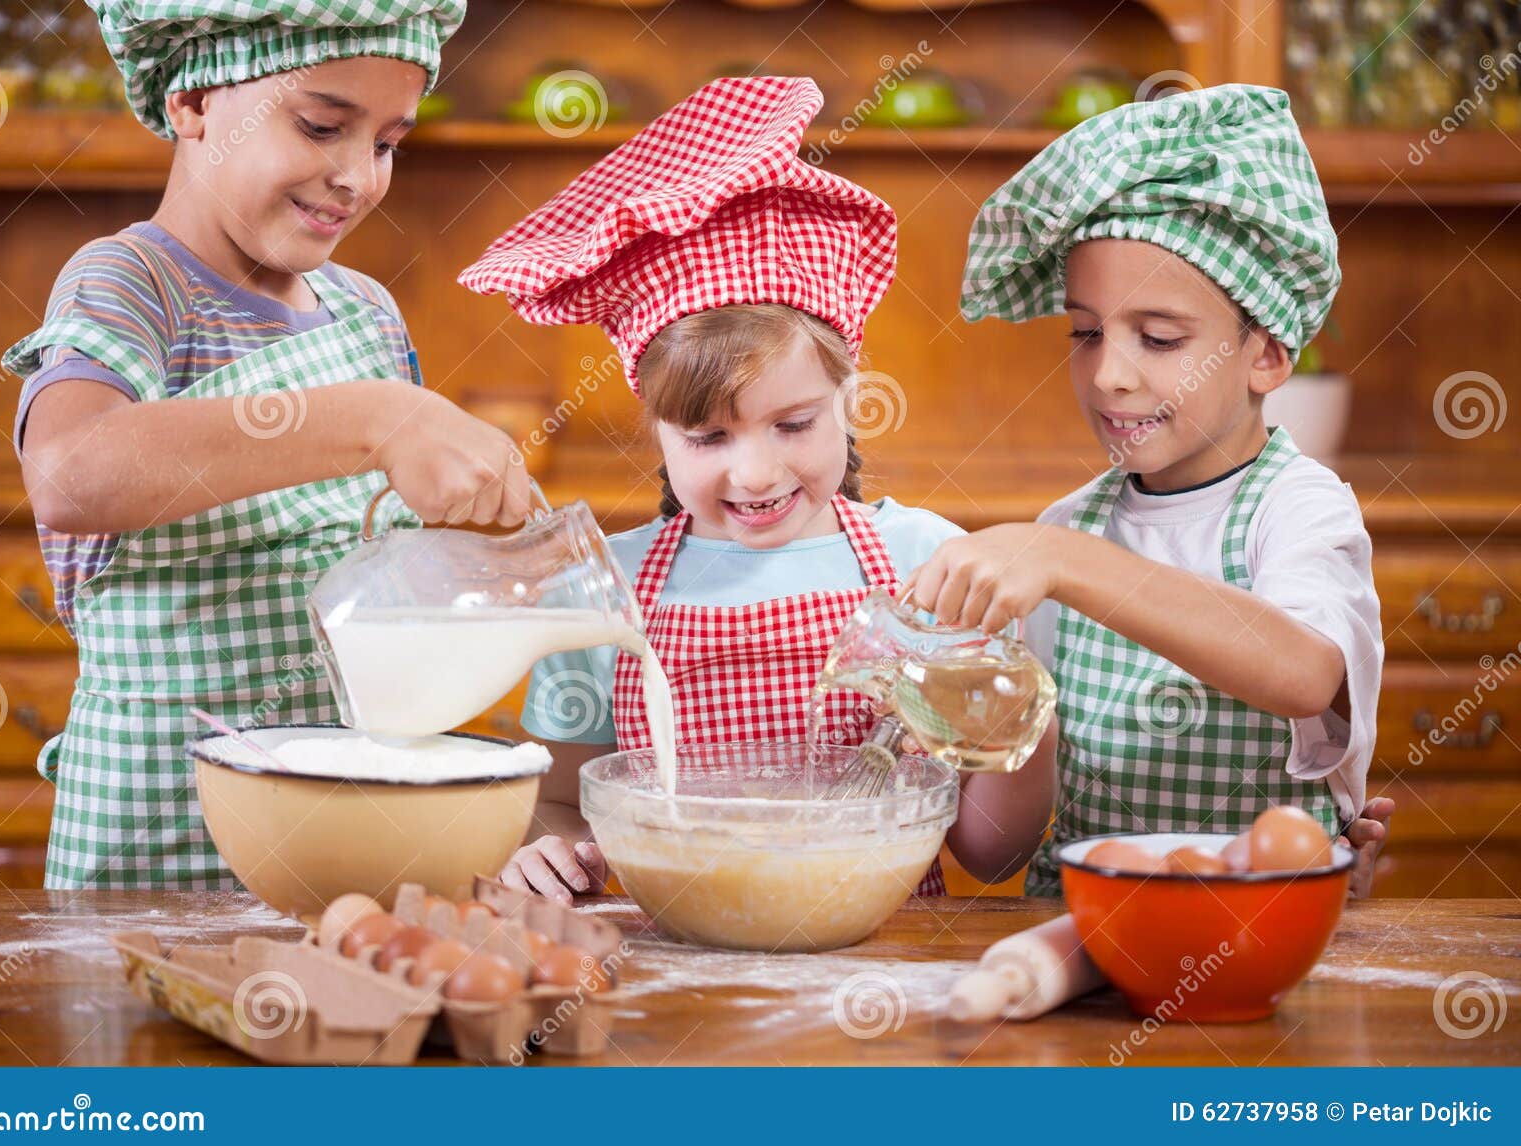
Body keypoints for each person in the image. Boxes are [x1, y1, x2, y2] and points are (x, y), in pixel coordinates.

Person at [6, 0, 531, 888]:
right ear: (196, 102)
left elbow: (371, 550)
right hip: (160, 837)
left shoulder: (365, 311)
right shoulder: (136, 283)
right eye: (323, 126)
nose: (358, 177)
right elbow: (68, 473)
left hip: (336, 819)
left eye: (388, 143)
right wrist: (379, 419)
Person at [460, 76, 966, 902]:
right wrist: (547, 851)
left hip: (882, 966)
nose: (756, 472)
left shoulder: (927, 565)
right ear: (657, 428)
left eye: (794, 424)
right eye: (708, 437)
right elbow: (562, 803)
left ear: (850, 398)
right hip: (672, 972)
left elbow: (990, 838)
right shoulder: (603, 588)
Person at [910, 84, 1393, 898]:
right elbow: (992, 852)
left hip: (1257, 942)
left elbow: (1303, 673)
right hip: (1080, 949)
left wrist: (1066, 560)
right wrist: (985, 714)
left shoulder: (1296, 508)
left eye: (1160, 338)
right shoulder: (1065, 534)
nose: (1109, 373)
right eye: (1086, 331)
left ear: (1267, 353)